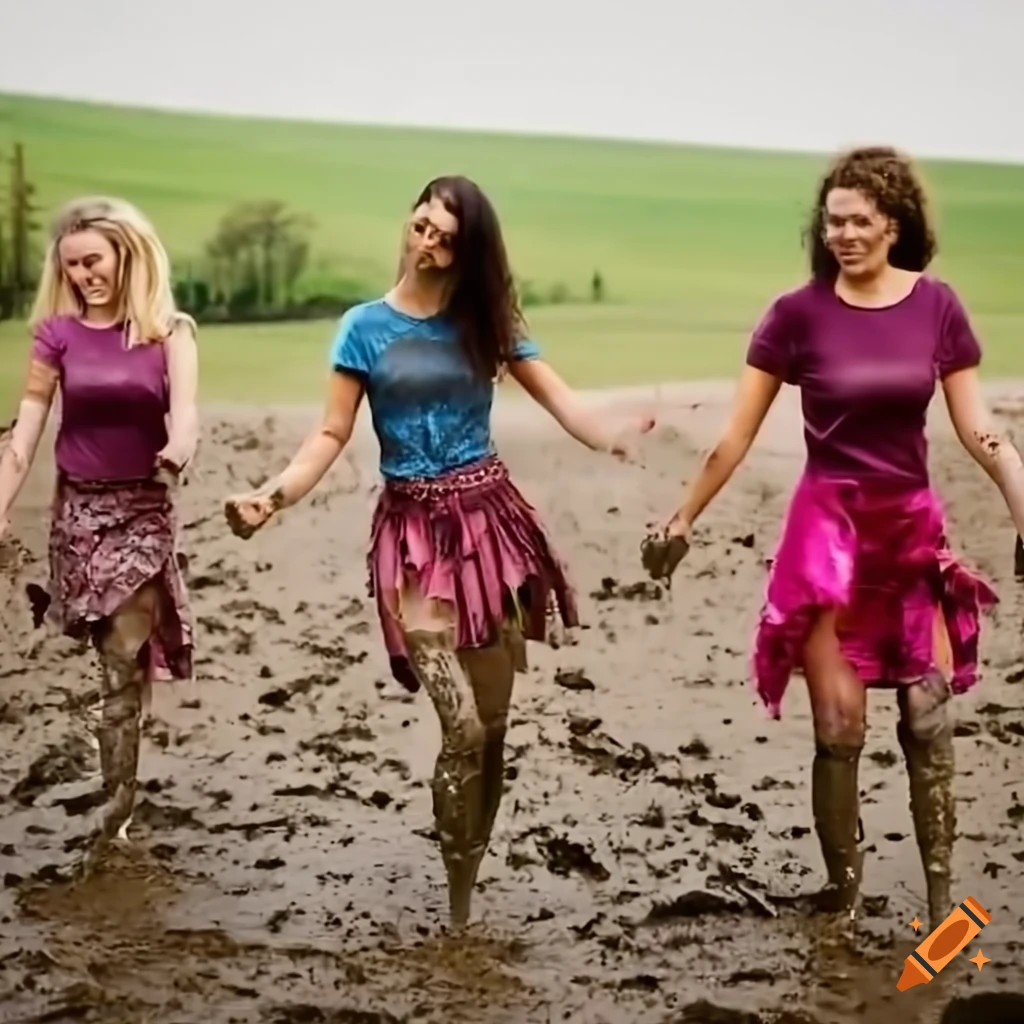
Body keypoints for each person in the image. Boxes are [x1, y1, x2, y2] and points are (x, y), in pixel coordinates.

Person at [224, 174, 650, 928]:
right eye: (421, 225)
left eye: (446, 237)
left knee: (493, 728)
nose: (427, 244)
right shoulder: (363, 328)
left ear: (467, 252)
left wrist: (611, 433)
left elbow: (560, 397)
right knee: (458, 722)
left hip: (491, 531)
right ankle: (456, 902)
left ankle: (467, 883)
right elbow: (330, 434)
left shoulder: (486, 320)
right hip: (412, 537)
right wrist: (273, 495)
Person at [642, 146, 1024, 933]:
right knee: (840, 729)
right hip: (828, 539)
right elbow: (733, 439)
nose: (844, 233)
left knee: (927, 714)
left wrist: (1022, 506)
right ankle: (844, 903)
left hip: (909, 532)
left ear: (894, 224)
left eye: (860, 221)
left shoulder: (938, 307)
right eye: (834, 220)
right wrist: (682, 521)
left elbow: (981, 431)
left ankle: (942, 905)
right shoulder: (796, 314)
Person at [0, 196, 199, 874]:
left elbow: (188, 416)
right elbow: (24, 436)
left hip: (144, 508)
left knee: (122, 649)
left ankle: (116, 812)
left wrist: (178, 449)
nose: (85, 274)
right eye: (73, 265)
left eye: (95, 260)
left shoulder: (171, 331)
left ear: (125, 255)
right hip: (79, 512)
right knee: (107, 657)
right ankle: (121, 774)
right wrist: (0, 506)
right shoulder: (55, 336)